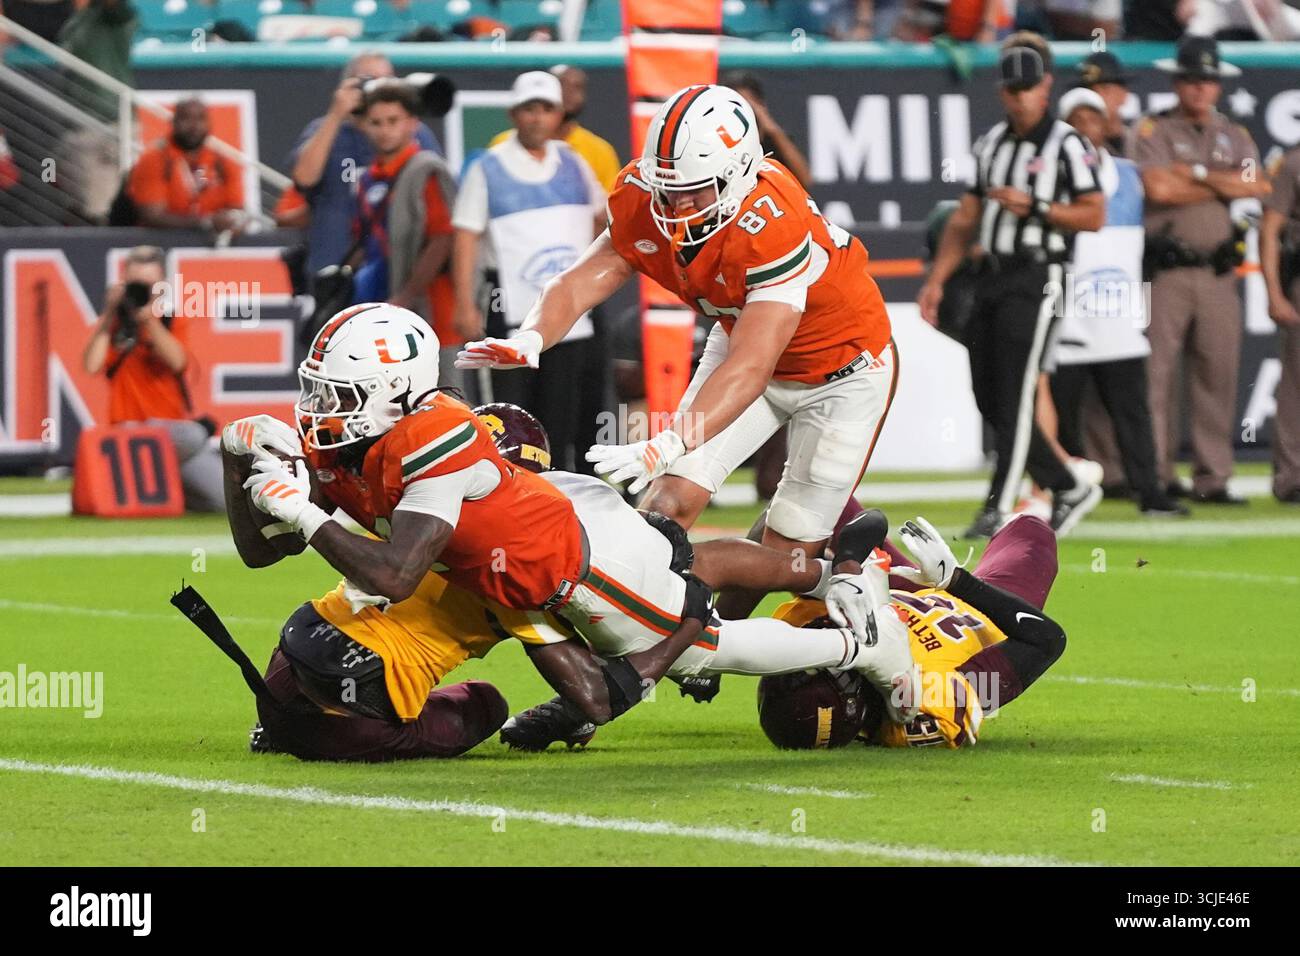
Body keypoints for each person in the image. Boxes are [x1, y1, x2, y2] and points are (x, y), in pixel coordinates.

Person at [232, 304, 921, 748]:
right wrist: (245, 469)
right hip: (536, 566)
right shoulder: (370, 447)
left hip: (586, 568)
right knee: (689, 572)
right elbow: (264, 556)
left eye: (339, 395)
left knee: (702, 651)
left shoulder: (434, 439)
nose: (319, 408)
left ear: (397, 397)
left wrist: (302, 506)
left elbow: (396, 571)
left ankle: (858, 642)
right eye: (318, 389)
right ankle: (835, 571)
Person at [457, 83, 898, 623]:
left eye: (695, 191)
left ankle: (711, 634)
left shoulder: (772, 222)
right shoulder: (647, 194)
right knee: (666, 505)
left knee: (786, 555)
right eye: (668, 190)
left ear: (739, 174)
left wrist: (668, 440)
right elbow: (586, 275)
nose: (676, 206)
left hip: (842, 374)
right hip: (740, 338)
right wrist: (532, 336)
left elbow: (753, 366)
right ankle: (636, 625)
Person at [917, 32, 1105, 539]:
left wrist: (1038, 208)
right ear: (1003, 92)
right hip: (992, 275)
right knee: (989, 394)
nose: (1019, 97)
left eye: (1028, 88)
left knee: (1018, 392)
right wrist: (937, 280)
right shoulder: (991, 145)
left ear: (1045, 88)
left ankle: (999, 505)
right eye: (1011, 89)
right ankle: (1067, 483)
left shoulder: (1068, 144)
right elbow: (964, 220)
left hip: (1041, 273)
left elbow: (1093, 215)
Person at [770, 510, 1066, 748]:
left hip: (895, 591)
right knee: (1030, 526)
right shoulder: (926, 704)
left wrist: (847, 559)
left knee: (812, 507)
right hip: (982, 613)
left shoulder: (805, 624)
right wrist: (955, 581)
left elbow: (869, 521)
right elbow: (1047, 640)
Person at [1129, 36, 1270, 504]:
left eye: (1208, 80)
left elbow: (1259, 184)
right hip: (1168, 268)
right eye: (1192, 79)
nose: (1201, 88)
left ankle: (1214, 477)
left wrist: (1197, 175)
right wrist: (1222, 184)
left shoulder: (1235, 133)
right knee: (1157, 376)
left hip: (1218, 270)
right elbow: (1158, 189)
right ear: (1178, 81)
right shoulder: (1154, 130)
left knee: (1218, 375)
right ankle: (1159, 476)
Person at [451, 71, 606, 471]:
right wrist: (465, 304)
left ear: (560, 114)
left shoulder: (575, 164)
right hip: (507, 306)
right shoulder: (488, 167)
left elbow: (598, 221)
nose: (537, 118)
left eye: (546, 109)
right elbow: (465, 237)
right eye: (529, 109)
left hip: (569, 311)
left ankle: (562, 493)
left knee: (562, 408)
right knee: (508, 411)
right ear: (514, 114)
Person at [1050, 89, 1188, 518]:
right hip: (1065, 312)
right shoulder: (1050, 176)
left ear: (1107, 124)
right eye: (1076, 119)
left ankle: (1151, 492)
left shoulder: (1129, 173)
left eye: (1094, 118)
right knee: (1062, 417)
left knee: (1133, 413)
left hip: (1120, 310)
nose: (1086, 127)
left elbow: (1174, 187)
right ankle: (1063, 495)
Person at [81, 245, 222, 511]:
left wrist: (149, 321)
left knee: (222, 501)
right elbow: (91, 365)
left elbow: (178, 362)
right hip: (127, 432)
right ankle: (161, 481)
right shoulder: (113, 326)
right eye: (135, 284)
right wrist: (109, 314)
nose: (141, 290)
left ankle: (169, 488)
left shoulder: (169, 321)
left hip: (170, 434)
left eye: (148, 284)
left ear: (161, 286)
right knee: (194, 436)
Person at [289, 52, 440, 284]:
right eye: (369, 81)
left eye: (387, 81)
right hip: (335, 264)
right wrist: (337, 114)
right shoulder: (325, 130)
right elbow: (303, 178)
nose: (378, 90)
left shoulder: (413, 133)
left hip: (396, 267)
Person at [351, 82, 459, 388]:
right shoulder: (367, 178)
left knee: (445, 396)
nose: (384, 130)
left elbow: (443, 239)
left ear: (413, 123)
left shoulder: (427, 170)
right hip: (384, 308)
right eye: (376, 122)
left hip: (432, 310)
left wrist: (406, 296)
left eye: (393, 121)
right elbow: (366, 243)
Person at [124, 97, 245, 233]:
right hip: (161, 243)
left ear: (209, 124)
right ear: (173, 122)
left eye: (200, 119)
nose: (194, 126)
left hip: (210, 246)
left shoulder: (223, 162)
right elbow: (152, 216)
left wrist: (234, 220)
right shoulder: (154, 158)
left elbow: (237, 210)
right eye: (186, 118)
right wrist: (207, 222)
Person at [1260, 144, 1300, 504]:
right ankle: (1292, 477)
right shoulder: (1294, 163)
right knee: (1297, 383)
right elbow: (1270, 228)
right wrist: (1273, 292)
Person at [1072, 50, 1134, 157]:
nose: (1096, 97)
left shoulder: (1141, 142)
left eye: (1105, 89)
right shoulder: (1073, 144)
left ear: (1123, 95)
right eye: (1090, 91)